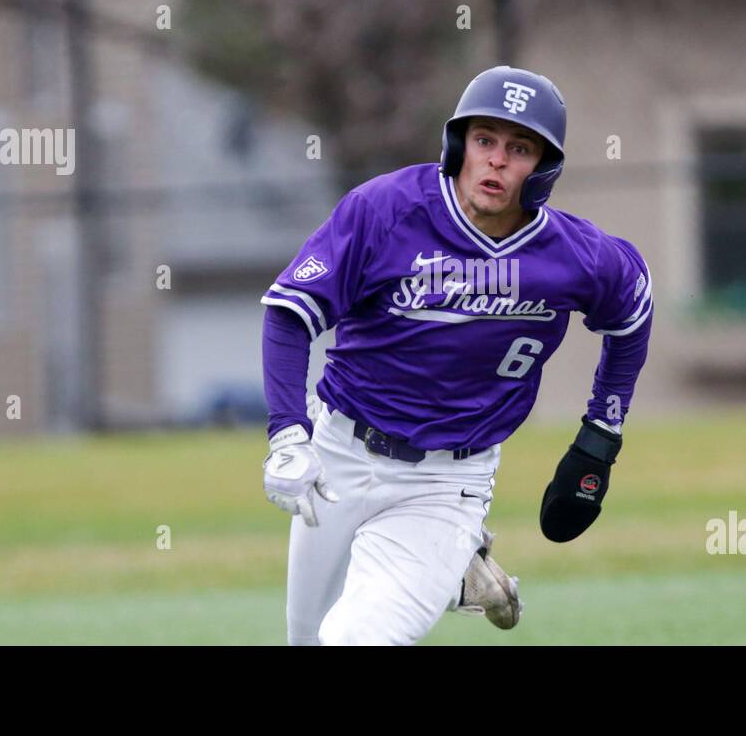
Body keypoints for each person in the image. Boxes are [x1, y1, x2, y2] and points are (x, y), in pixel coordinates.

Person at [259, 65, 652, 645]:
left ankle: (447, 550)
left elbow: (633, 315)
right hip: (339, 451)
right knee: (306, 640)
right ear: (458, 143)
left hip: (447, 482)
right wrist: (287, 434)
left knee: (353, 641)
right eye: (484, 139)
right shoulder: (385, 210)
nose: (496, 160)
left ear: (543, 168)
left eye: (519, 147)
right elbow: (290, 313)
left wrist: (600, 438)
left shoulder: (579, 257)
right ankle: (454, 571)